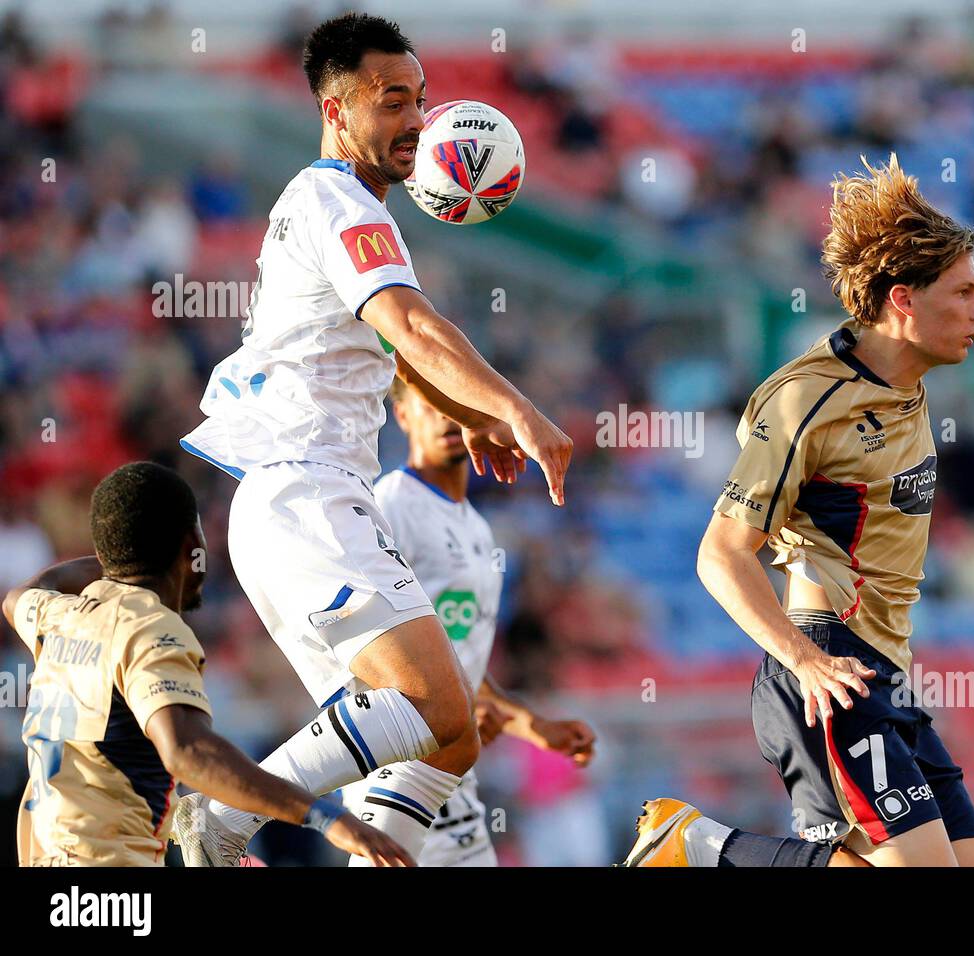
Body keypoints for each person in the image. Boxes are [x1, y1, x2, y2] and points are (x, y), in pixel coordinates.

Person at [623, 155, 974, 868]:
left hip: (887, 670)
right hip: (826, 666)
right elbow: (719, 552)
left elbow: (971, 315)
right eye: (965, 294)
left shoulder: (909, 355)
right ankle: (700, 845)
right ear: (904, 301)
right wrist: (804, 660)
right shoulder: (804, 403)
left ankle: (696, 844)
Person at [172, 12, 573, 865]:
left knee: (446, 739)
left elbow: (387, 345)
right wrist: (516, 411)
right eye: (393, 101)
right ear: (335, 108)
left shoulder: (334, 206)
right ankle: (219, 812)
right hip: (305, 494)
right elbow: (410, 325)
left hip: (303, 502)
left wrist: (467, 413)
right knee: (433, 710)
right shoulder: (334, 198)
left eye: (422, 100)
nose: (417, 122)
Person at [1, 461, 411, 867]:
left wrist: (120, 562)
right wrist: (325, 816)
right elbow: (186, 749)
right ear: (191, 545)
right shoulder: (150, 627)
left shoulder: (59, 615)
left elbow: (24, 593)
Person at [341, 377, 595, 866]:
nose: (445, 416)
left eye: (455, 403)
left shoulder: (477, 528)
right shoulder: (390, 505)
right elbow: (367, 642)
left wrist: (532, 724)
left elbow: (462, 661)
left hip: (455, 766)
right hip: (400, 761)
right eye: (430, 404)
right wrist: (440, 701)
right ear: (403, 416)